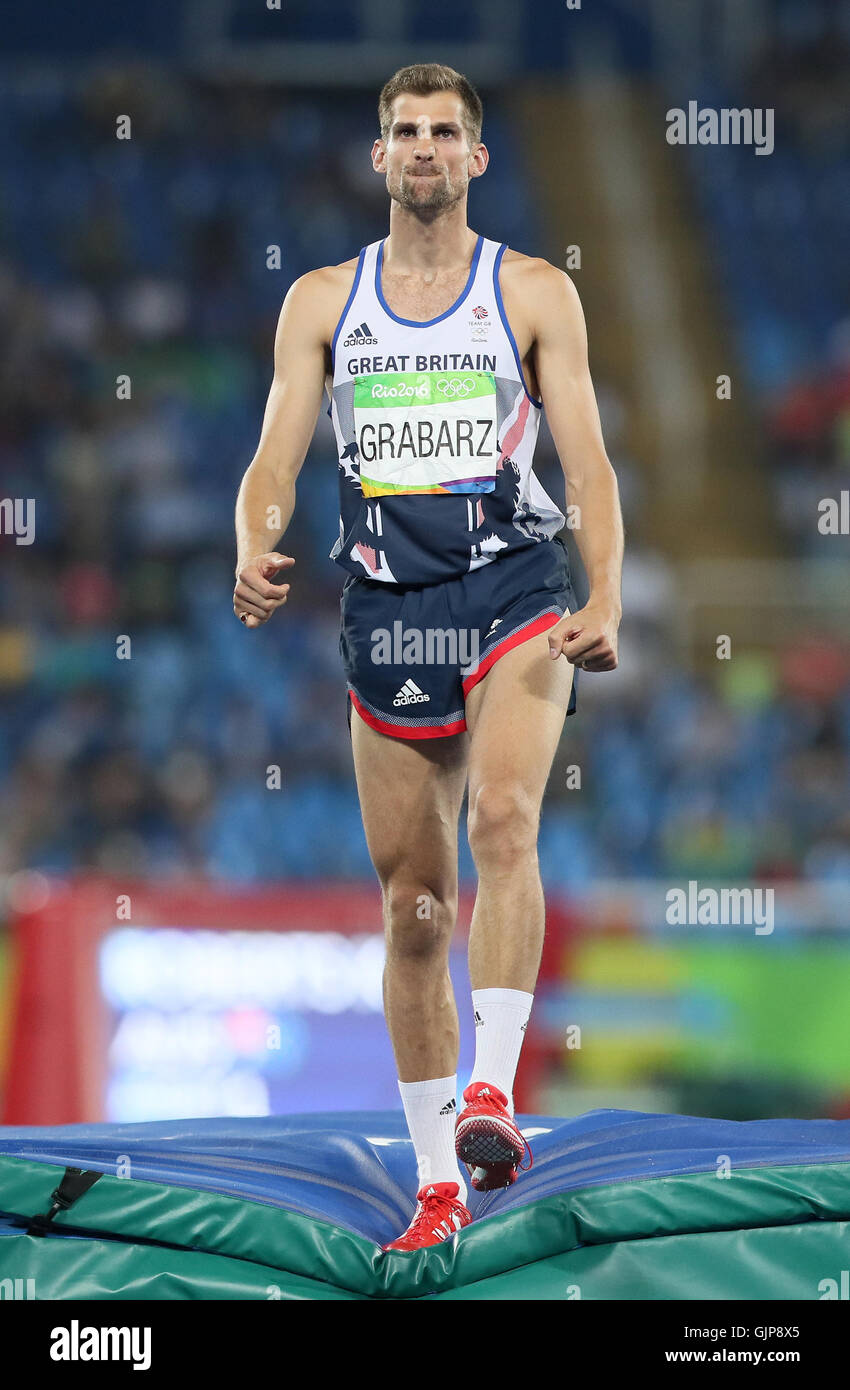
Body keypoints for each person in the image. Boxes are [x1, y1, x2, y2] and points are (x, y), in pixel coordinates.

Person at [234, 63, 623, 1251]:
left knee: (505, 815)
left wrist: (604, 589)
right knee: (412, 909)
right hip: (391, 608)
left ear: (475, 158)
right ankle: (436, 1181)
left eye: (444, 131)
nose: (422, 147)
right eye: (403, 130)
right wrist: (252, 542)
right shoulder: (318, 302)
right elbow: (273, 458)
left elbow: (589, 462)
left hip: (515, 584)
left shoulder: (534, 292)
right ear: (377, 156)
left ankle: (496, 1094)